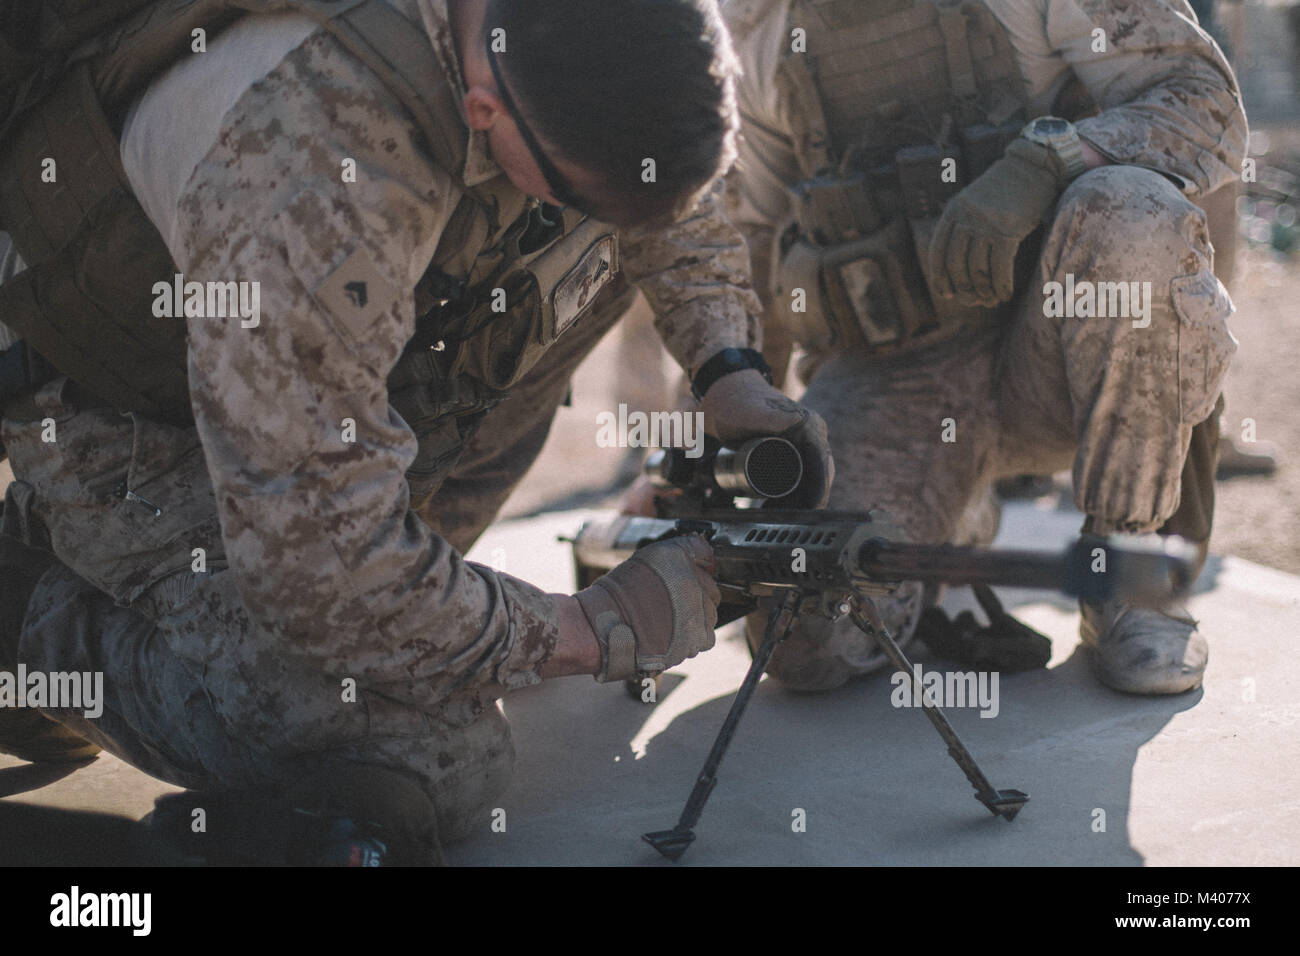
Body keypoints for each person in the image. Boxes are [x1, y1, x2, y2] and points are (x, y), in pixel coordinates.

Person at [0, 0, 832, 863]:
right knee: (418, 758)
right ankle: (30, 608)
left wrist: (728, 371)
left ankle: (240, 573)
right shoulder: (316, 162)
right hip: (127, 409)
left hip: (294, 388)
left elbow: (659, 188)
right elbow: (322, 573)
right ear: (483, 108)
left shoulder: (549, 45)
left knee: (593, 228)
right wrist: (594, 628)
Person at [708, 0, 1245, 695]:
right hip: (896, 380)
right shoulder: (760, 25)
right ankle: (955, 511)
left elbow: (1207, 105)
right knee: (807, 641)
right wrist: (721, 445)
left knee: (1132, 213)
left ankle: (1129, 568)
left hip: (1054, 359)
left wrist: (1053, 161)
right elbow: (753, 235)